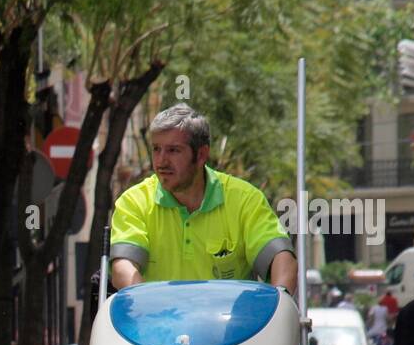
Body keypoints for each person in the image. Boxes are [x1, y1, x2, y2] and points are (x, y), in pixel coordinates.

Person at [108, 104, 298, 295]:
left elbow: (282, 258)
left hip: (231, 325)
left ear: (201, 155)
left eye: (173, 150)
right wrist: (146, 306)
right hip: (156, 322)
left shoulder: (245, 200)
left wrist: (280, 302)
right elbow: (122, 268)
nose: (161, 161)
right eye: (156, 149)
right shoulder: (134, 201)